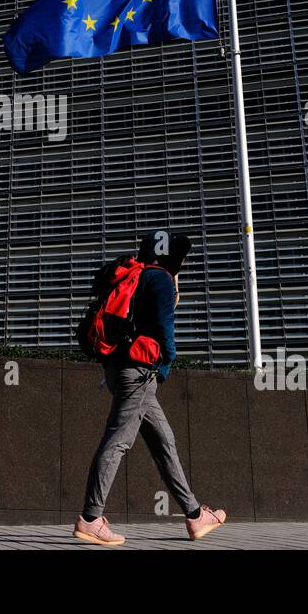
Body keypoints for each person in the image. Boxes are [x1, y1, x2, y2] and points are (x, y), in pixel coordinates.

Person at [73, 229, 226, 546]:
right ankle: (90, 518)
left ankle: (195, 515)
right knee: (117, 441)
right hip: (139, 372)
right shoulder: (160, 279)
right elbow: (164, 326)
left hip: (118, 369)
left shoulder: (134, 274)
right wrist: (166, 362)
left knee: (163, 441)